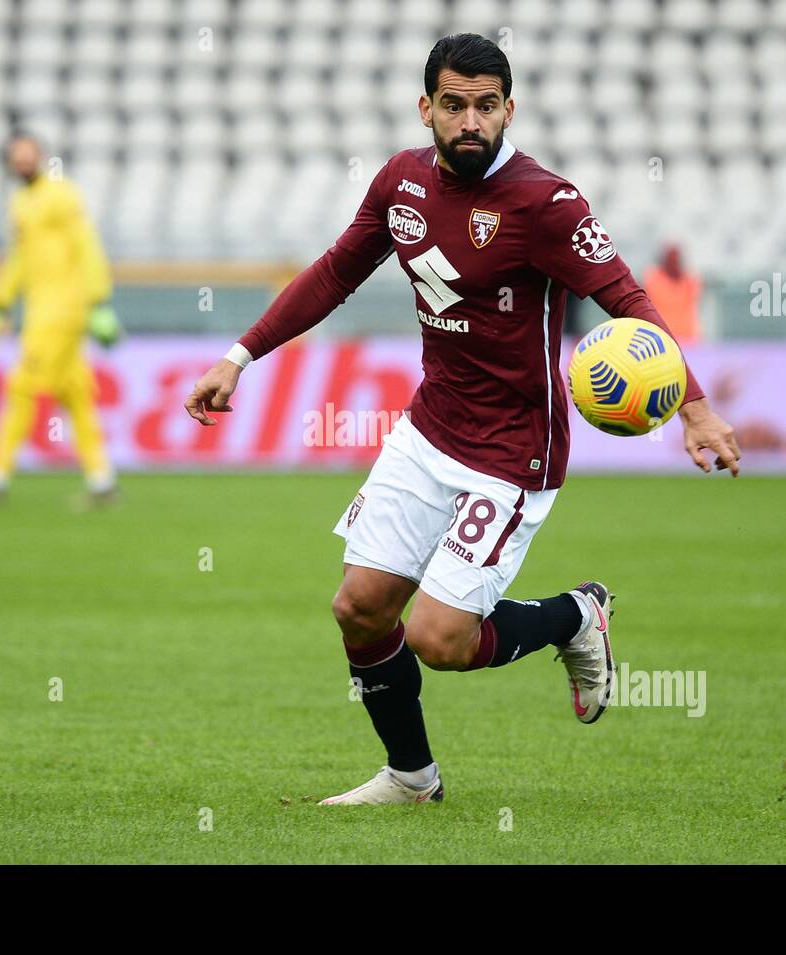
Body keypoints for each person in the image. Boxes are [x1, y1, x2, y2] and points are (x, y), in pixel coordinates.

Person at [185, 35, 740, 805]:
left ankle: (576, 616)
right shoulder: (400, 184)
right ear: (427, 109)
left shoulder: (547, 203)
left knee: (439, 639)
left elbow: (627, 298)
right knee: (359, 608)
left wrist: (696, 406)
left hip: (515, 450)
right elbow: (337, 272)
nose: (470, 121)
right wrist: (238, 357)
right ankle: (412, 777)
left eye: (486, 106)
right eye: (454, 105)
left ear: (509, 109)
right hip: (430, 428)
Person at [0, 132, 121, 510]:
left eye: (28, 156)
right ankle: (102, 483)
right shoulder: (20, 202)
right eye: (16, 157)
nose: (22, 163)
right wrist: (0, 305)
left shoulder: (62, 195)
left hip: (60, 313)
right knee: (76, 395)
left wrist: (98, 299)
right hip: (41, 312)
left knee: (20, 389)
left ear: (41, 157)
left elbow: (87, 244)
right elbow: (20, 259)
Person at [643, 244, 703, 345]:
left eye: (676, 259)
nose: (674, 262)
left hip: (689, 338)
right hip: (662, 337)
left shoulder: (689, 280)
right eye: (671, 259)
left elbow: (695, 290)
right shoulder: (653, 279)